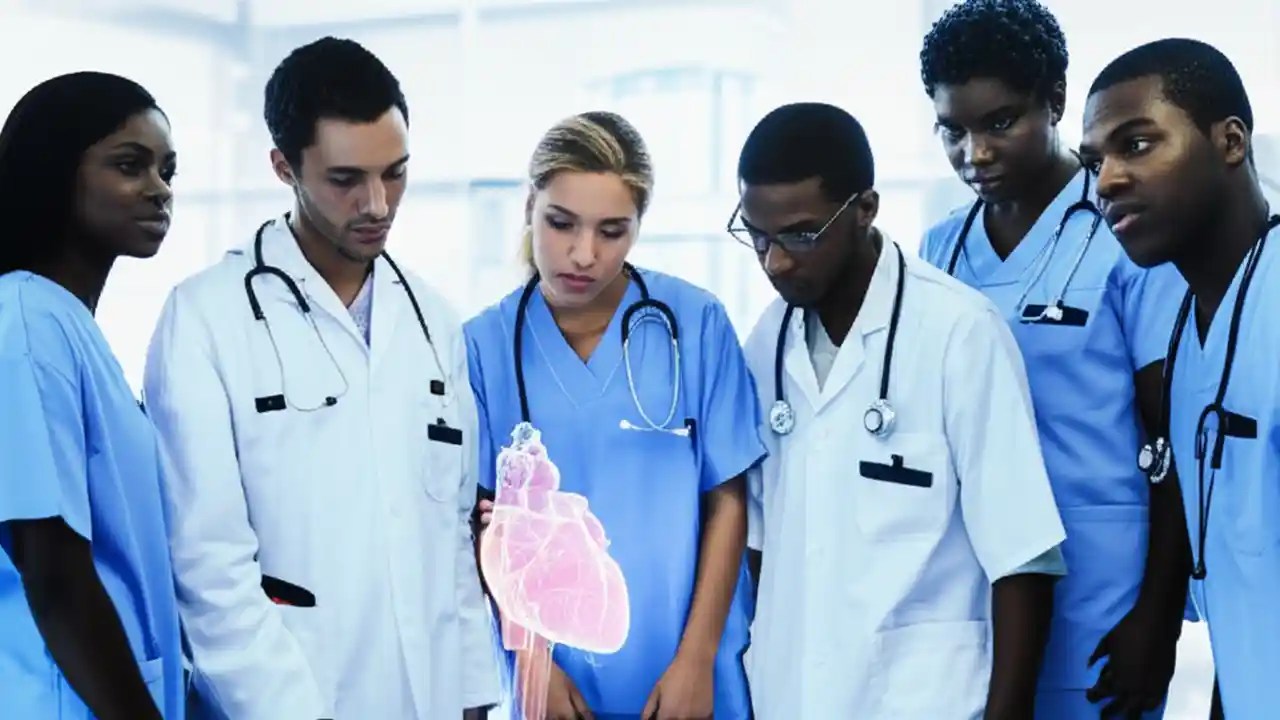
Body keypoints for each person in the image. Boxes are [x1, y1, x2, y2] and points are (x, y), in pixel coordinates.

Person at [141, 37, 500, 719]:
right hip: (288, 698)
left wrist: (473, 698)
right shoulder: (207, 318)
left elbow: (451, 539)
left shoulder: (434, 321)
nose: (377, 204)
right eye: (346, 179)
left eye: (395, 173)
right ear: (285, 167)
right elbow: (206, 561)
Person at [736, 102, 1067, 719]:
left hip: (922, 697)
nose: (775, 260)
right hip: (790, 694)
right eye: (758, 235)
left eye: (801, 235)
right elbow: (758, 544)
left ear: (864, 209)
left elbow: (1024, 558)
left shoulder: (958, 333)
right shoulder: (767, 340)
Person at [917, 2, 1192, 717]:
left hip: (1100, 597)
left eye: (1000, 123)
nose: (974, 153)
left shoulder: (1125, 232)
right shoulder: (938, 251)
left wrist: (1155, 624)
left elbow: (1171, 443)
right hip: (971, 598)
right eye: (954, 129)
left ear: (1056, 103)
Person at [467, 110, 765, 719]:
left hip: (681, 670)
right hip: (554, 681)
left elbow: (727, 499)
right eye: (561, 223)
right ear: (529, 207)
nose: (583, 254)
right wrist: (532, 664)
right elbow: (479, 523)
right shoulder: (482, 346)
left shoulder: (695, 324)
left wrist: (697, 660)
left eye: (612, 231)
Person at [1080, 37, 1279, 720]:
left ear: (1230, 143)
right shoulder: (1190, 332)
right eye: (1094, 161)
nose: (1105, 181)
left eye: (1135, 145)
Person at [0, 72, 183, 719]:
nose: (159, 189)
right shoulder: (27, 319)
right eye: (130, 166)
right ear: (54, 171)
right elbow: (53, 574)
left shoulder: (69, 325)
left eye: (168, 169)